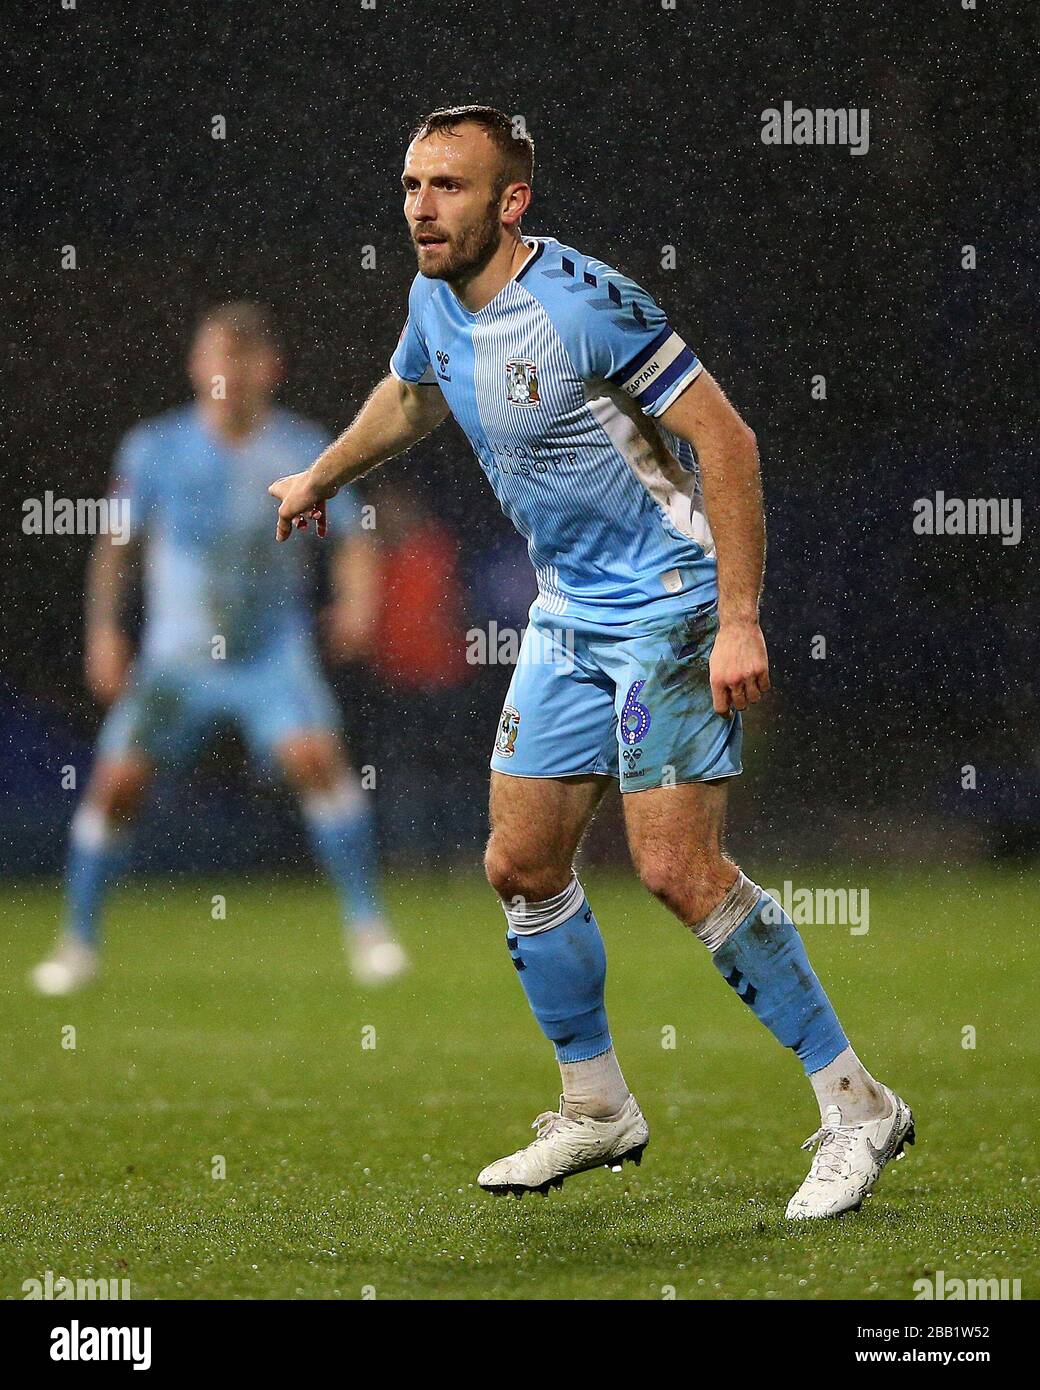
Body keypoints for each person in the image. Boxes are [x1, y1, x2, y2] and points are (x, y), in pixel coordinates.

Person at [268, 107, 913, 1219]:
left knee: (675, 869)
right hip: (569, 617)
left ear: (509, 203)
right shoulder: (433, 296)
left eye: (450, 187)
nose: (422, 206)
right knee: (519, 865)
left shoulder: (584, 306)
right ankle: (596, 1105)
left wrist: (742, 619)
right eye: (413, 183)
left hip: (670, 603)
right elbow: (415, 390)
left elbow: (727, 440)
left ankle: (857, 1105)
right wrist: (320, 475)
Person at [33, 302, 406, 995]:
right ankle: (76, 942)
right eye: (217, 358)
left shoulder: (303, 449)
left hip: (272, 652)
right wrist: (104, 633)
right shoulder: (154, 449)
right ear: (197, 366)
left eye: (243, 359)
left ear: (271, 369)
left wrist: (359, 603)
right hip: (177, 657)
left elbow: (354, 539)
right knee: (116, 786)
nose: (228, 373)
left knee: (316, 760)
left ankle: (368, 928)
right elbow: (117, 547)